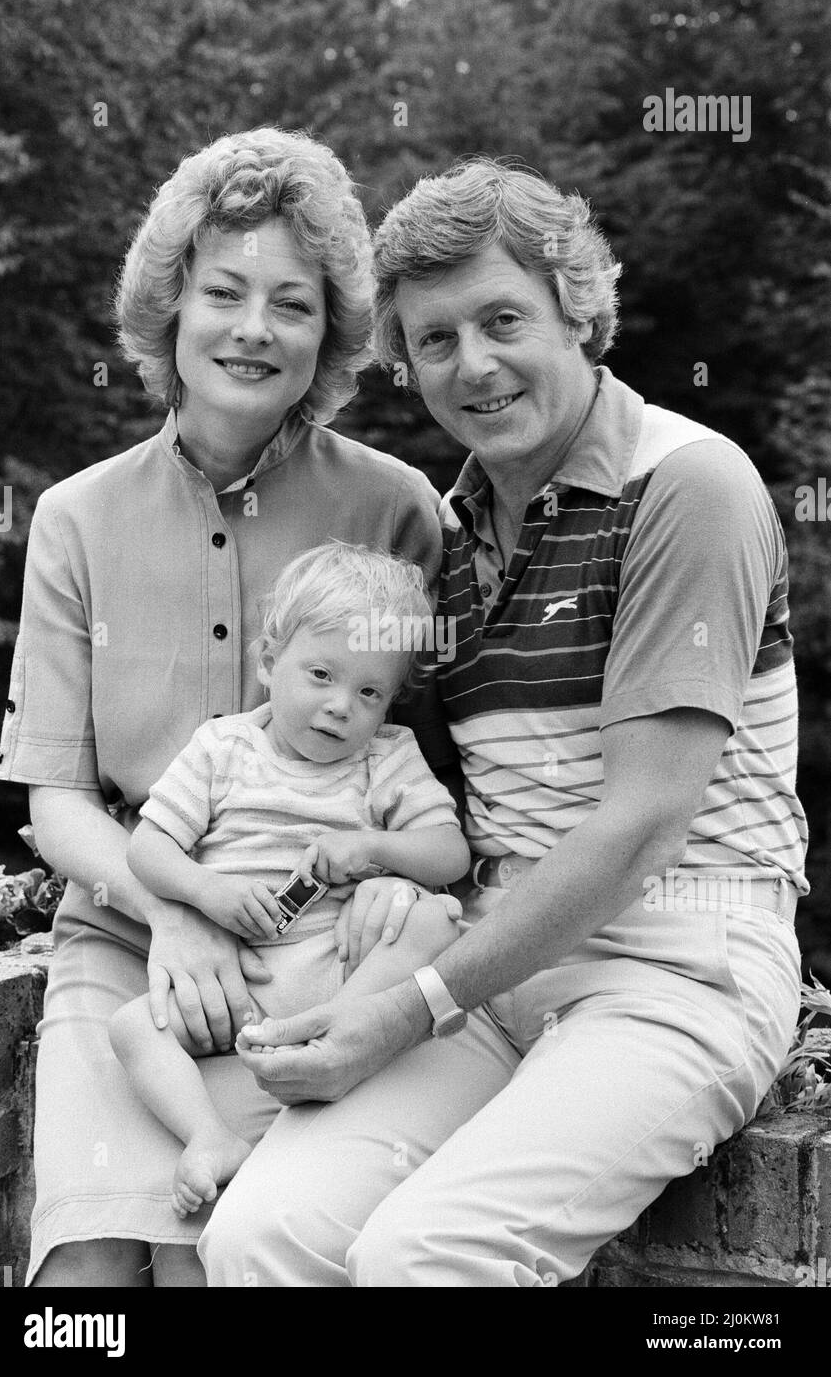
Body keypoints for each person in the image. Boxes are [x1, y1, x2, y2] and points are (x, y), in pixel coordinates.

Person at [199, 158, 809, 1287]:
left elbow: (639, 828)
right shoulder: (444, 531)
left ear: (578, 312)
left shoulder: (686, 487)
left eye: (502, 320)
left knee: (426, 1255)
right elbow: (375, 767)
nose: (471, 365)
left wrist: (405, 1009)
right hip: (492, 967)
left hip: (675, 968)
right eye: (433, 340)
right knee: (254, 1236)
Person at [0, 127, 453, 1287]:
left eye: (291, 304)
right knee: (84, 1282)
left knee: (222, 1263)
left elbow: (436, 789)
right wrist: (180, 911)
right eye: (225, 292)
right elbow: (56, 803)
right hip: (122, 937)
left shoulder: (399, 514)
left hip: (319, 961)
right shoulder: (75, 520)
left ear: (330, 335)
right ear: (171, 309)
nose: (254, 329)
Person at [109, 542, 467, 1218]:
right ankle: (208, 1137)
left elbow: (448, 855)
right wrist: (205, 891)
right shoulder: (222, 747)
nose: (340, 707)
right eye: (322, 675)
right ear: (269, 662)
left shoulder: (385, 757)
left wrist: (369, 846)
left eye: (368, 693)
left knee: (436, 919)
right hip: (236, 983)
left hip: (335, 966)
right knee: (132, 1027)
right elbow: (149, 849)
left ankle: (337, 1036)